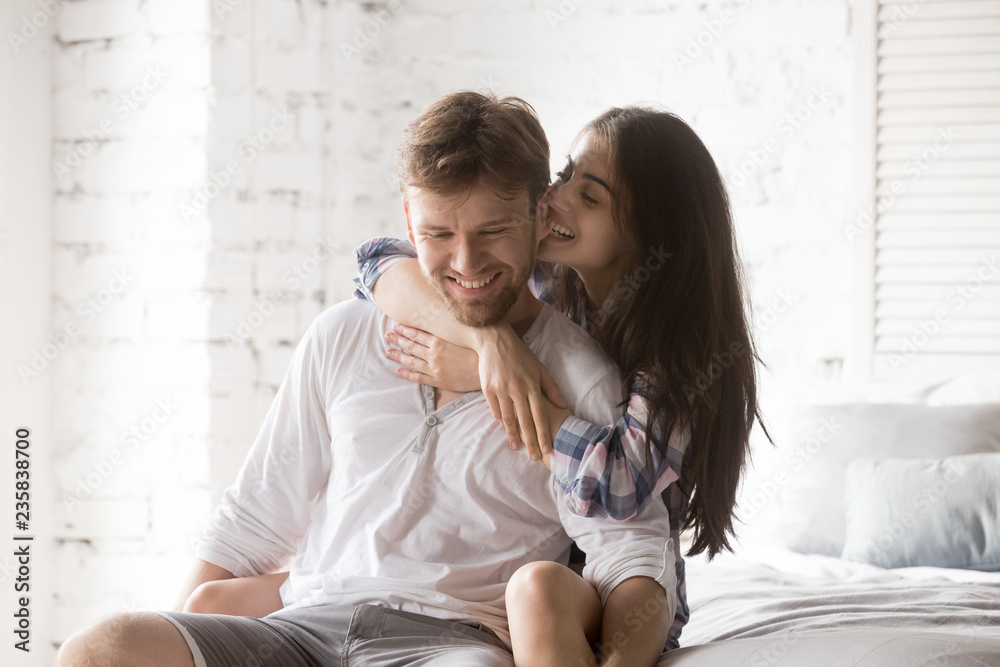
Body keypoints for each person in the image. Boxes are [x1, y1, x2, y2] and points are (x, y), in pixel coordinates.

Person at [57, 90, 677, 667]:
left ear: (540, 216)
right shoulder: (343, 335)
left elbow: (627, 554)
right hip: (303, 627)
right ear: (409, 224)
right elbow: (254, 519)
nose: (467, 264)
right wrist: (182, 638)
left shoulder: (583, 379)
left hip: (454, 640)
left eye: (493, 231)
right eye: (439, 234)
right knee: (102, 648)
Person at [175, 104, 772, 664]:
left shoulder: (666, 364)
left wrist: (508, 392)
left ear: (647, 235)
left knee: (537, 591)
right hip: (391, 595)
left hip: (622, 586)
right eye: (563, 177)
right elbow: (380, 260)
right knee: (204, 608)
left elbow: (620, 490)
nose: (557, 199)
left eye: (586, 196)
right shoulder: (546, 278)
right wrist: (488, 346)